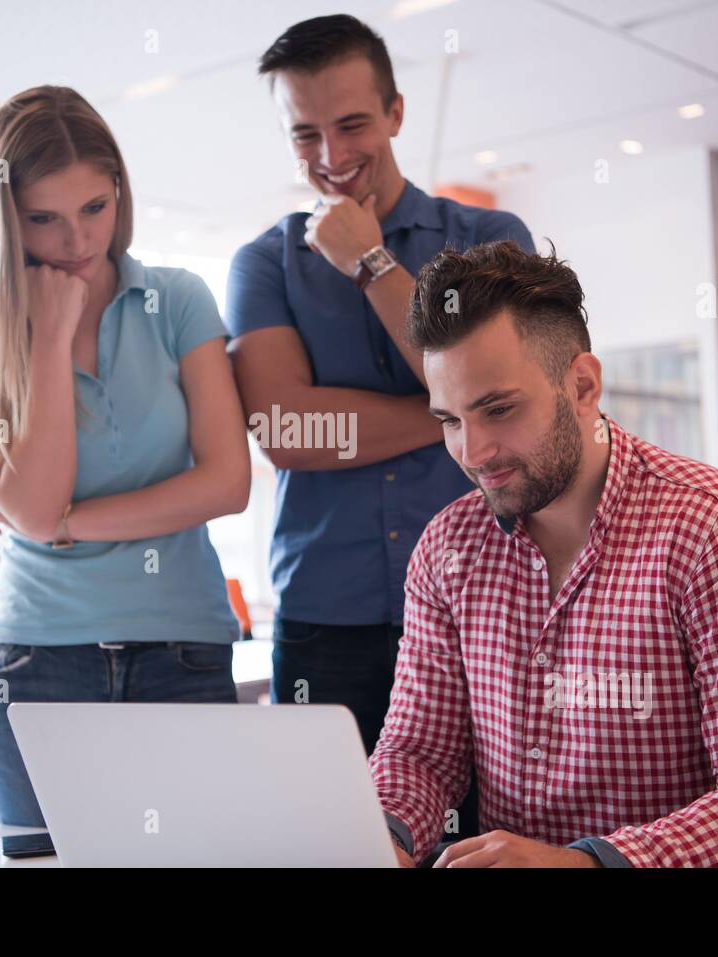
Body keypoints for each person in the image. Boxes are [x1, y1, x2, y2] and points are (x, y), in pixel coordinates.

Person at [372, 239, 718, 867]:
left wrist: (589, 863)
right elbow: (419, 751)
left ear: (583, 385)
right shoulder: (449, 548)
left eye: (498, 409)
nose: (473, 453)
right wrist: (382, 837)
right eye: (450, 420)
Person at [226, 14, 535, 770]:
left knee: (483, 833)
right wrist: (458, 413)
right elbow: (284, 432)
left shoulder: (490, 239)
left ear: (396, 113)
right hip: (323, 619)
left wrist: (368, 262)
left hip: (485, 601)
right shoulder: (262, 264)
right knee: (329, 837)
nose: (330, 157)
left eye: (352, 124)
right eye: (304, 135)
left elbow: (513, 396)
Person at [0, 85, 251, 827]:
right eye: (43, 219)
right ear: (4, 220)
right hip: (36, 659)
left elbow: (227, 482)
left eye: (94, 210)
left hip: (183, 649)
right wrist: (48, 336)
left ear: (119, 194)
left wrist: (68, 523)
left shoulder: (178, 300)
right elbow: (35, 509)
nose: (77, 241)